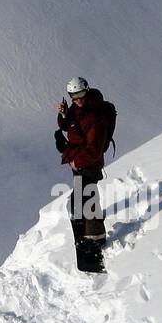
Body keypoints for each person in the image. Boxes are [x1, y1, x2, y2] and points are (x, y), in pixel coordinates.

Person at [55, 77, 114, 273]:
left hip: (88, 164)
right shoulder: (77, 109)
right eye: (74, 96)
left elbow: (94, 149)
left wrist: (75, 161)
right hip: (79, 163)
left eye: (81, 95)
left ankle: (94, 242)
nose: (78, 99)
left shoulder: (95, 117)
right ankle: (92, 238)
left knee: (84, 197)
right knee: (82, 198)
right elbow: (70, 126)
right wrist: (63, 116)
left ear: (87, 91)